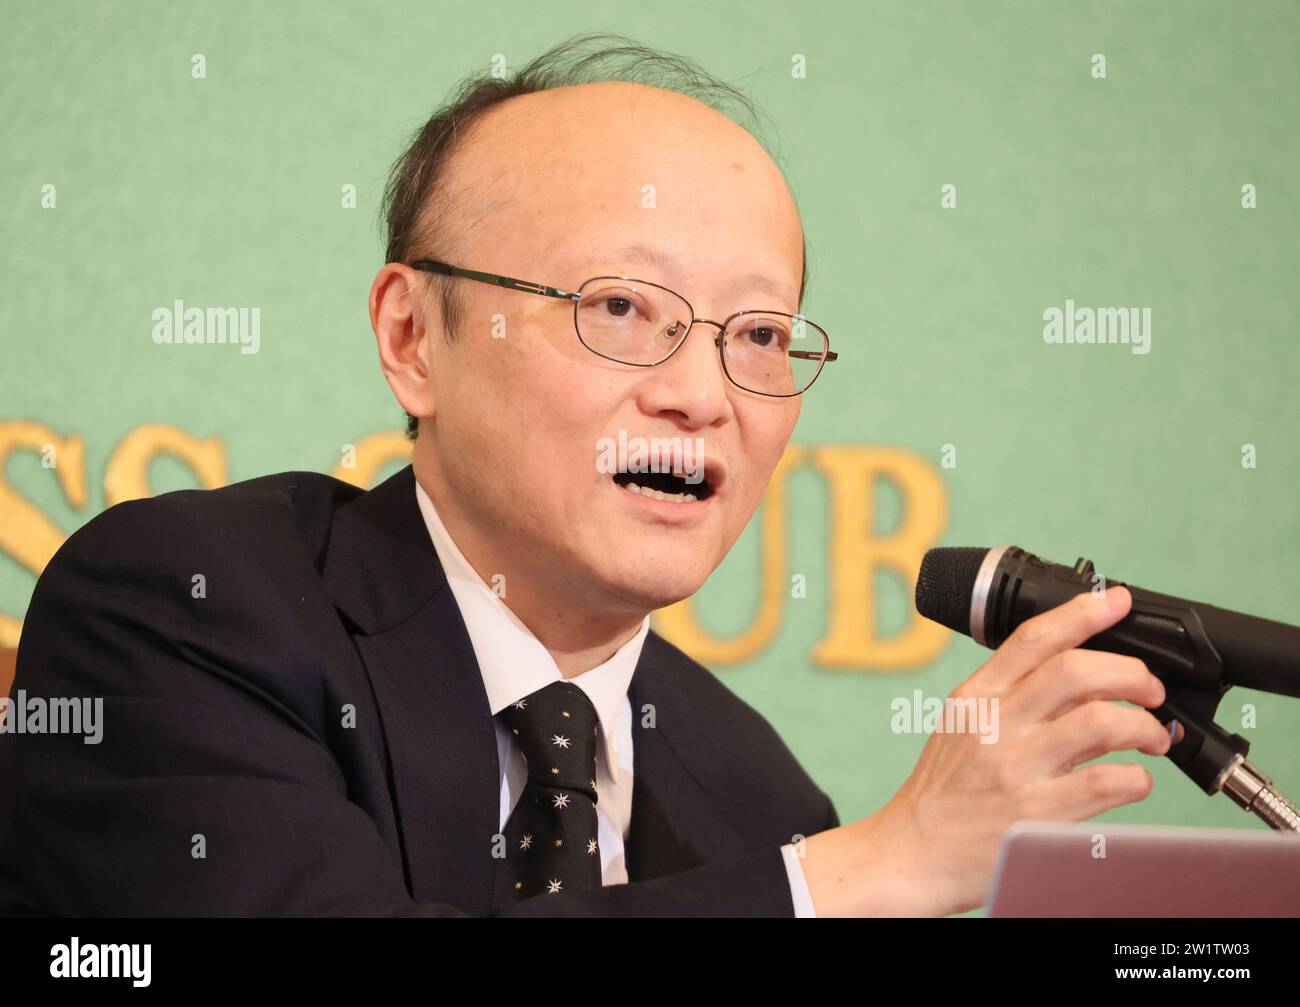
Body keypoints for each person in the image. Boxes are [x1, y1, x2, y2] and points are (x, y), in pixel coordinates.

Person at [0, 33, 1171, 917]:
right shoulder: (182, 612)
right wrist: (877, 864)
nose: (704, 395)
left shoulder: (753, 791)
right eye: (621, 307)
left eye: (759, 334)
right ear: (414, 338)